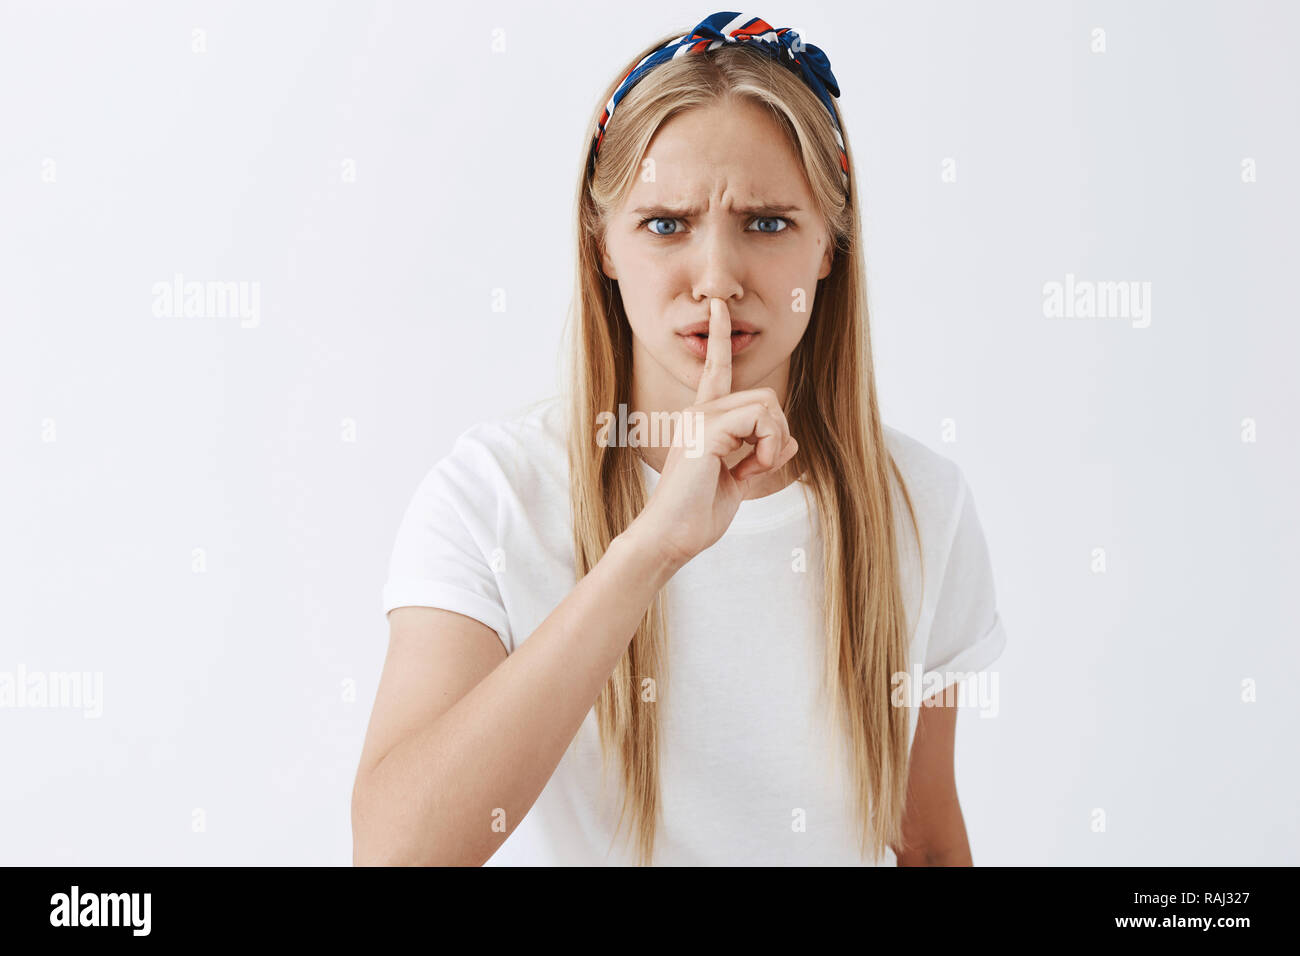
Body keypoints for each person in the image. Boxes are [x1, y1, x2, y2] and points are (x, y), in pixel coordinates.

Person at [352, 12, 1007, 866]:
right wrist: (651, 547)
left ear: (829, 249)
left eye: (767, 223)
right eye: (666, 224)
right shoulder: (492, 496)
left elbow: (925, 842)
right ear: (605, 245)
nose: (717, 279)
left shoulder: (921, 503)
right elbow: (398, 852)